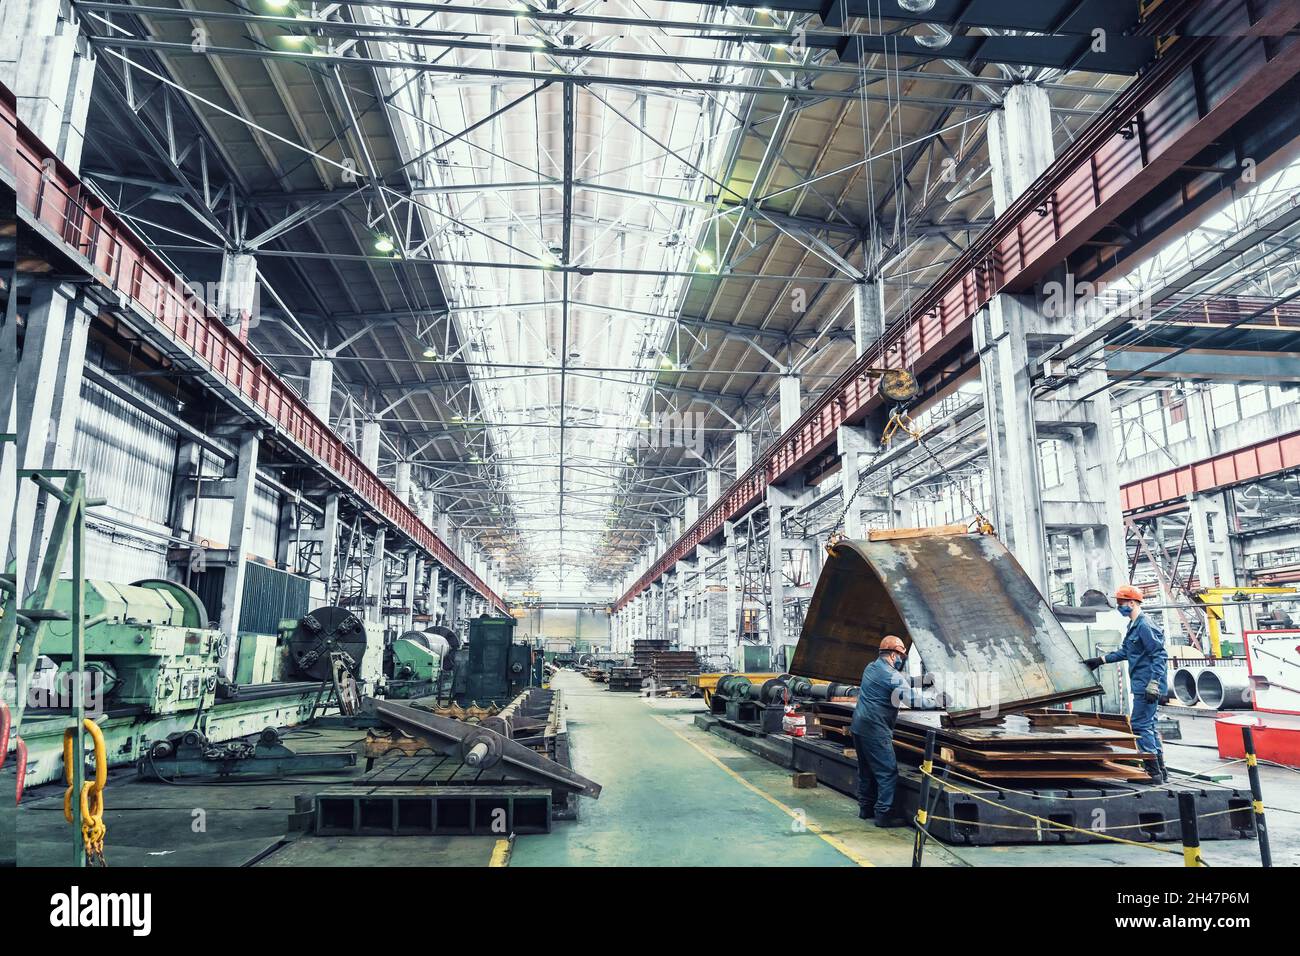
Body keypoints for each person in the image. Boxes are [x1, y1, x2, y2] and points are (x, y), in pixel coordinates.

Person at [849, 635, 944, 827]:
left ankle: (865, 809)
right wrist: (939, 702)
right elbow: (914, 702)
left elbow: (903, 679)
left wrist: (925, 681)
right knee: (887, 773)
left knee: (866, 770)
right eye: (901, 655)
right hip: (876, 730)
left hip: (858, 727)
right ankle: (884, 816)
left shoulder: (871, 667)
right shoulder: (893, 676)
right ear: (894, 654)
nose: (902, 659)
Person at [1084, 585, 1168, 783]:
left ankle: (1152, 773)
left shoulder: (1145, 625)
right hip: (1142, 684)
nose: (1118, 607)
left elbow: (1159, 654)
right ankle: (1160, 771)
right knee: (1150, 725)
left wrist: (1154, 682)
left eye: (1121, 603)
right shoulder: (1134, 625)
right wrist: (1100, 660)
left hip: (1148, 685)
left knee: (1140, 725)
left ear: (1132, 603)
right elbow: (1126, 652)